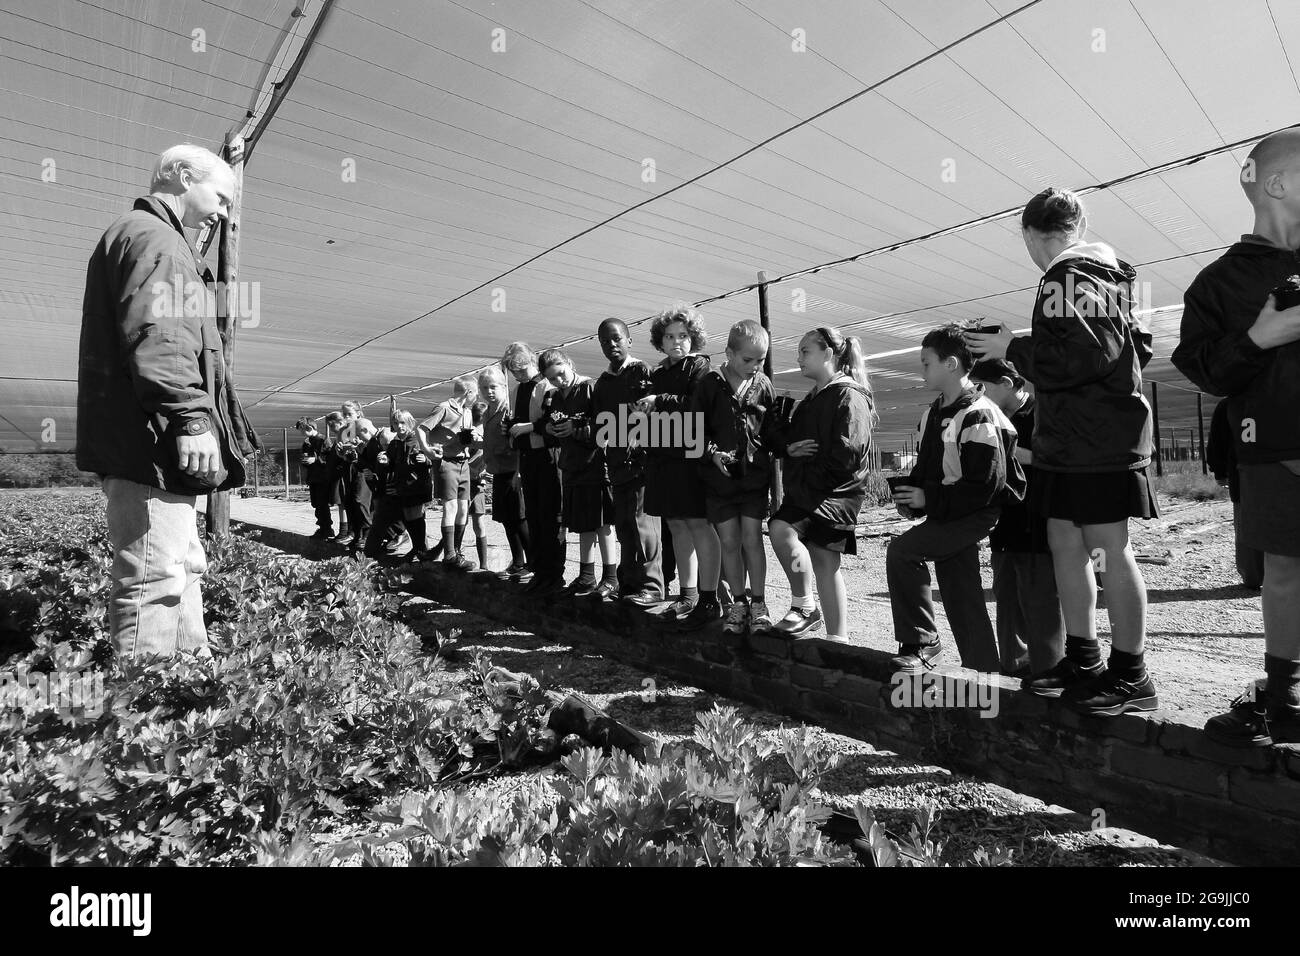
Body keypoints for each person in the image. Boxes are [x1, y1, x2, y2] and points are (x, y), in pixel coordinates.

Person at [968, 186, 1158, 716]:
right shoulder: (1106, 278)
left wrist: (1014, 349)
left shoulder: (1068, 276)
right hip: (1074, 438)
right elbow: (1119, 347)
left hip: (1093, 440)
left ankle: (1130, 673)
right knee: (1065, 541)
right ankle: (1085, 658)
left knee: (1106, 548)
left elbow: (1091, 355)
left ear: (1030, 234)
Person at [77, 143, 257, 659]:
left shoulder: (141, 237)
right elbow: (162, 336)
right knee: (155, 575)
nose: (223, 213)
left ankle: (189, 674)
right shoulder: (158, 241)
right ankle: (146, 712)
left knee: (182, 565)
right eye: (221, 197)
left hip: (147, 439)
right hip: (150, 442)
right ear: (181, 175)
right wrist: (192, 416)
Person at [1172, 128, 1300, 746]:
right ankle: (1283, 696)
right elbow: (1202, 369)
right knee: (1283, 572)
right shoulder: (1219, 284)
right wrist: (1260, 338)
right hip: (1276, 450)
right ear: (1276, 185)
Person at [887, 325, 1020, 670]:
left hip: (974, 513)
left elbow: (985, 486)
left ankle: (922, 641)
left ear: (951, 365)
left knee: (902, 552)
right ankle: (985, 672)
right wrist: (911, 494)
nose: (922, 369)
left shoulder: (979, 413)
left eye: (926, 362)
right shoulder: (934, 412)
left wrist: (928, 498)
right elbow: (929, 468)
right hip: (949, 511)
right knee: (961, 592)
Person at [767, 326, 875, 642]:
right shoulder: (814, 398)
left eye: (805, 351)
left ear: (827, 354)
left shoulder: (849, 396)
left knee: (823, 559)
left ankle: (836, 641)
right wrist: (785, 442)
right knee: (792, 537)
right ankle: (807, 608)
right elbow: (794, 442)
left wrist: (807, 464)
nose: (799, 357)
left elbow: (849, 453)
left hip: (834, 493)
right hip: (810, 491)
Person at [970, 358, 1065, 681]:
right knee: (1007, 598)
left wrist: (1015, 454)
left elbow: (1060, 459)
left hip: (1037, 522)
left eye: (984, 388)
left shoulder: (1041, 413)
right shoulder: (989, 417)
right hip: (1004, 525)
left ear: (1008, 384)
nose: (979, 395)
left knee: (1040, 601)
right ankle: (1012, 668)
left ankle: (1048, 671)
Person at [638, 305, 722, 630]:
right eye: (670, 336)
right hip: (663, 457)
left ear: (693, 338)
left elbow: (697, 407)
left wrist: (659, 401)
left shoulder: (701, 367)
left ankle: (709, 597)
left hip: (690, 458)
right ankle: (686, 595)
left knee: (699, 524)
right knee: (675, 525)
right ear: (661, 340)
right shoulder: (657, 374)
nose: (677, 341)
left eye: (683, 336)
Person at [696, 320, 777, 634]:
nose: (754, 366)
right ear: (728, 353)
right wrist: (713, 453)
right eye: (748, 360)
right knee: (729, 541)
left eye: (760, 360)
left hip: (754, 480)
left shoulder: (763, 385)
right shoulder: (710, 384)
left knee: (752, 540)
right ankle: (738, 604)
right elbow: (695, 431)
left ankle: (759, 603)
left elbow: (771, 431)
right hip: (720, 482)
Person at [591, 318, 663, 607]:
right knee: (624, 524)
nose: (612, 344)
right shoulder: (603, 382)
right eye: (606, 341)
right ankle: (628, 582)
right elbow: (599, 424)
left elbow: (655, 415)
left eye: (617, 338)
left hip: (642, 461)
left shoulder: (641, 371)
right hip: (617, 462)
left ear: (629, 341)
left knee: (643, 523)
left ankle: (653, 586)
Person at [538, 349, 620, 598]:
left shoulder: (589, 388)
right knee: (583, 523)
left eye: (561, 374)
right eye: (552, 378)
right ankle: (586, 576)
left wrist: (578, 426)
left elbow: (606, 423)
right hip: (571, 465)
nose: (558, 381)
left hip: (595, 463)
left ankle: (611, 578)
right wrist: (550, 428)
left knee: (602, 523)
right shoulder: (553, 396)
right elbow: (544, 423)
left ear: (569, 364)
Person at [504, 343, 564, 596]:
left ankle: (555, 575)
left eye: (521, 369)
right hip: (528, 459)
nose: (518, 375)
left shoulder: (547, 385)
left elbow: (554, 421)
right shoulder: (517, 390)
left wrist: (527, 428)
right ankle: (539, 572)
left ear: (532, 360)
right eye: (514, 372)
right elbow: (514, 426)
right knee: (535, 517)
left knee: (552, 518)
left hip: (549, 458)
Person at [418, 376, 480, 571]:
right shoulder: (444, 408)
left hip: (464, 462)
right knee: (451, 507)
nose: (477, 397)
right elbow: (421, 427)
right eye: (476, 393)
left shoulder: (467, 412)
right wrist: (427, 450)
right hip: (446, 462)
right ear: (469, 393)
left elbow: (468, 436)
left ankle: (456, 551)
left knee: (463, 508)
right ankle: (449, 555)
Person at [478, 366, 531, 581]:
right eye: (484, 388)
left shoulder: (509, 410)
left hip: (512, 470)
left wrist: (520, 471)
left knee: (519, 519)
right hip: (497, 471)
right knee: (507, 520)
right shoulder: (487, 412)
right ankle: (518, 562)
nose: (489, 392)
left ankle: (533, 562)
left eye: (493, 387)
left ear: (502, 386)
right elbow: (490, 442)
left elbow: (519, 443)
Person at [1206, 398, 1264, 590]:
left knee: (1246, 526)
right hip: (1281, 472)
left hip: (1243, 473)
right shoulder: (1285, 391)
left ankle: (1253, 577)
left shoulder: (1230, 402)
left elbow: (1217, 440)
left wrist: (1220, 471)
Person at [386, 409, 435, 559]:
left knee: (417, 517)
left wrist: (426, 461)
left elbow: (434, 457)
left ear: (410, 423)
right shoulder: (394, 444)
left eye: (402, 423)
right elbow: (391, 464)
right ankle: (418, 548)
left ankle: (421, 549)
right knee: (408, 517)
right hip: (403, 486)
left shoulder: (418, 440)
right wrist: (384, 460)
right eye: (396, 423)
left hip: (417, 486)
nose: (399, 426)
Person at [336, 400, 371, 551]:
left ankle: (367, 534)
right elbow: (341, 453)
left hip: (362, 467)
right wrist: (339, 451)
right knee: (349, 501)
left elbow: (372, 447)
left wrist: (361, 447)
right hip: (348, 467)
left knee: (360, 500)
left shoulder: (363, 426)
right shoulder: (342, 431)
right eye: (344, 414)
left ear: (358, 413)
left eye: (349, 414)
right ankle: (356, 534)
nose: (347, 417)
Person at [297, 418, 335, 540]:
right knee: (316, 504)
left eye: (302, 430)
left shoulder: (324, 440)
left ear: (310, 428)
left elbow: (331, 458)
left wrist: (316, 460)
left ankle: (327, 529)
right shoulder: (307, 442)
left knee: (322, 503)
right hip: (313, 477)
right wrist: (305, 461)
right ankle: (322, 527)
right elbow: (306, 457)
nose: (302, 433)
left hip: (323, 478)